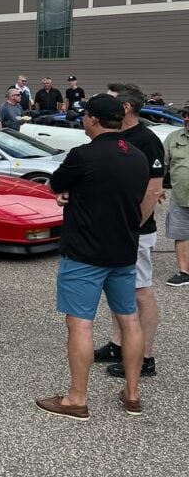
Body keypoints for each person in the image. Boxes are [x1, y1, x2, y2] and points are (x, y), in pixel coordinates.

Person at [37, 94, 149, 420]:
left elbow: (53, 185)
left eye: (85, 116)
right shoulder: (138, 156)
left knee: (79, 323)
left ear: (94, 119)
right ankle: (132, 393)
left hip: (84, 253)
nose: (83, 121)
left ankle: (76, 399)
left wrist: (66, 193)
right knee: (129, 319)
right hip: (124, 251)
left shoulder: (83, 155)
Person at [91, 84, 165, 379]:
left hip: (136, 231)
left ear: (125, 108)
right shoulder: (114, 135)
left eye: (110, 101)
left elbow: (154, 190)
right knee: (118, 290)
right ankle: (118, 344)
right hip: (115, 230)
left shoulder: (146, 140)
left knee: (140, 291)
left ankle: (144, 357)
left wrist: (134, 226)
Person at [163, 103, 189, 287]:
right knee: (181, 234)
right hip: (180, 196)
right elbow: (163, 164)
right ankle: (184, 272)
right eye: (185, 114)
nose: (186, 118)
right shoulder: (173, 137)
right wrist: (157, 187)